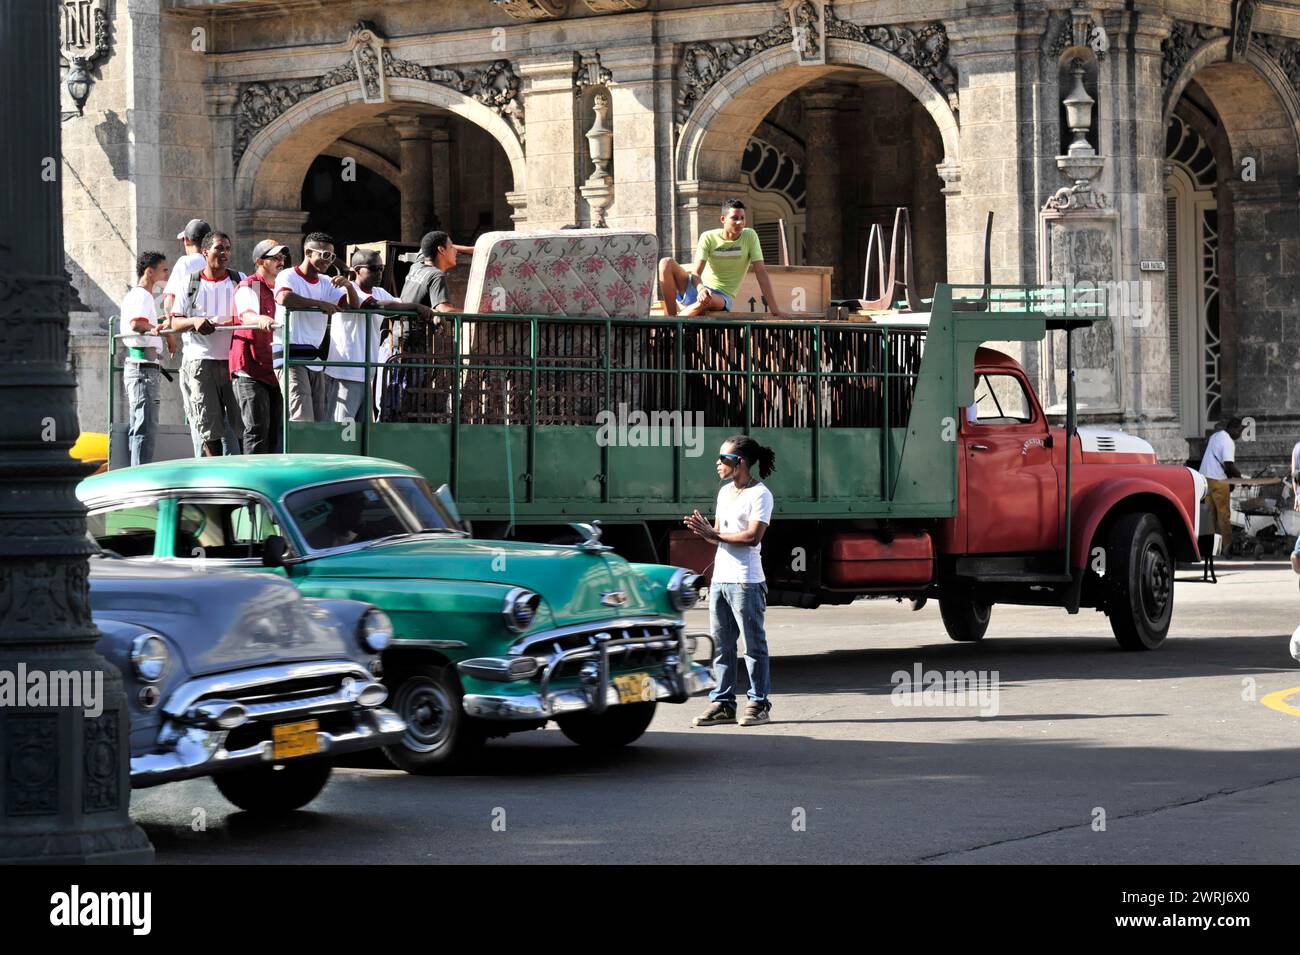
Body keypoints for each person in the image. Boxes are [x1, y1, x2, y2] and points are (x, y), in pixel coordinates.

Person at [684, 435, 777, 728]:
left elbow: (752, 537)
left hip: (746, 582)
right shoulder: (725, 492)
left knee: (753, 646)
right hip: (721, 580)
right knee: (723, 646)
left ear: (741, 463)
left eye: (723, 459)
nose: (718, 463)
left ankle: (759, 703)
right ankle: (723, 703)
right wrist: (706, 531)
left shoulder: (760, 495)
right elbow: (720, 532)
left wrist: (715, 536)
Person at [326, 248, 440, 423]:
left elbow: (399, 304)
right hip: (345, 372)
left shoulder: (379, 291)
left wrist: (432, 310)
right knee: (342, 431)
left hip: (366, 373)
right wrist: (416, 307)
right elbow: (376, 305)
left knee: (363, 432)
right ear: (357, 270)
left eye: (381, 268)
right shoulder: (345, 290)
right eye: (373, 268)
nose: (379, 273)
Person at [163, 231, 245, 457]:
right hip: (201, 363)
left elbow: (250, 314)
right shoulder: (190, 282)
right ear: (205, 251)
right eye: (219, 248)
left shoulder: (240, 280)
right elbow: (175, 321)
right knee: (209, 428)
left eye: (227, 248)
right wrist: (195, 321)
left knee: (242, 426)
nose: (224, 253)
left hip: (235, 363)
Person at [273, 232, 358, 422]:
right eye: (325, 255)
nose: (329, 261)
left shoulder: (327, 282)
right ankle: (298, 452)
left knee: (318, 421)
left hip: (315, 358)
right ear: (308, 252)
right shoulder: (288, 275)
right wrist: (318, 304)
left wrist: (350, 286)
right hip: (291, 355)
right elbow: (283, 298)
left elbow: (353, 306)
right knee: (302, 418)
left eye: (333, 257)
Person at [658, 199, 783, 318]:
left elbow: (761, 272)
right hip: (698, 288)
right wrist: (701, 289)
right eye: (735, 218)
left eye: (742, 218)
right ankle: (671, 317)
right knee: (665, 262)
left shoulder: (750, 236)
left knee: (708, 299)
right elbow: (696, 273)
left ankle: (674, 324)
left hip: (720, 297)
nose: (740, 222)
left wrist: (775, 310)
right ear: (723, 219)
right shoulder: (708, 237)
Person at [161, 218, 214, 457]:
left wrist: (170, 330)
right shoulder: (215, 261)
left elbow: (170, 300)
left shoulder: (186, 262)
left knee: (197, 412)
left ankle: (200, 463)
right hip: (220, 348)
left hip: (194, 347)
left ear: (186, 240)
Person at [232, 240, 287, 453]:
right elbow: (246, 314)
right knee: (256, 429)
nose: (281, 261)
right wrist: (259, 318)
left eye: (282, 257)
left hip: (275, 366)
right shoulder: (249, 285)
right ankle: (250, 480)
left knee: (275, 431)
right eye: (275, 258)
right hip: (250, 368)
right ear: (259, 261)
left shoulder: (282, 287)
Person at [119, 251, 170, 466]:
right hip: (143, 369)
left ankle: (137, 471)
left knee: (142, 425)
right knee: (144, 426)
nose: (167, 276)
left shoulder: (140, 296)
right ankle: (139, 476)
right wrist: (156, 328)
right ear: (150, 272)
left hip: (144, 368)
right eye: (164, 270)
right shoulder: (142, 295)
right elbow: (136, 323)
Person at [1199, 416, 1246, 551]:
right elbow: (1228, 464)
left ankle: (1207, 547)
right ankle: (1226, 546)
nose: (1239, 434)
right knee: (1224, 515)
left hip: (1204, 479)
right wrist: (1241, 479)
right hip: (1218, 480)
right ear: (1232, 429)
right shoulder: (1228, 441)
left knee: (1209, 516)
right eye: (1239, 431)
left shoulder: (1216, 436)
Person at [398, 230, 471, 314]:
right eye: (451, 247)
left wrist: (475, 249)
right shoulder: (437, 275)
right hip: (417, 326)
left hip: (399, 326)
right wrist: (477, 313)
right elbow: (445, 310)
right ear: (441, 250)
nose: (456, 251)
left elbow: (427, 244)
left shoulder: (416, 266)